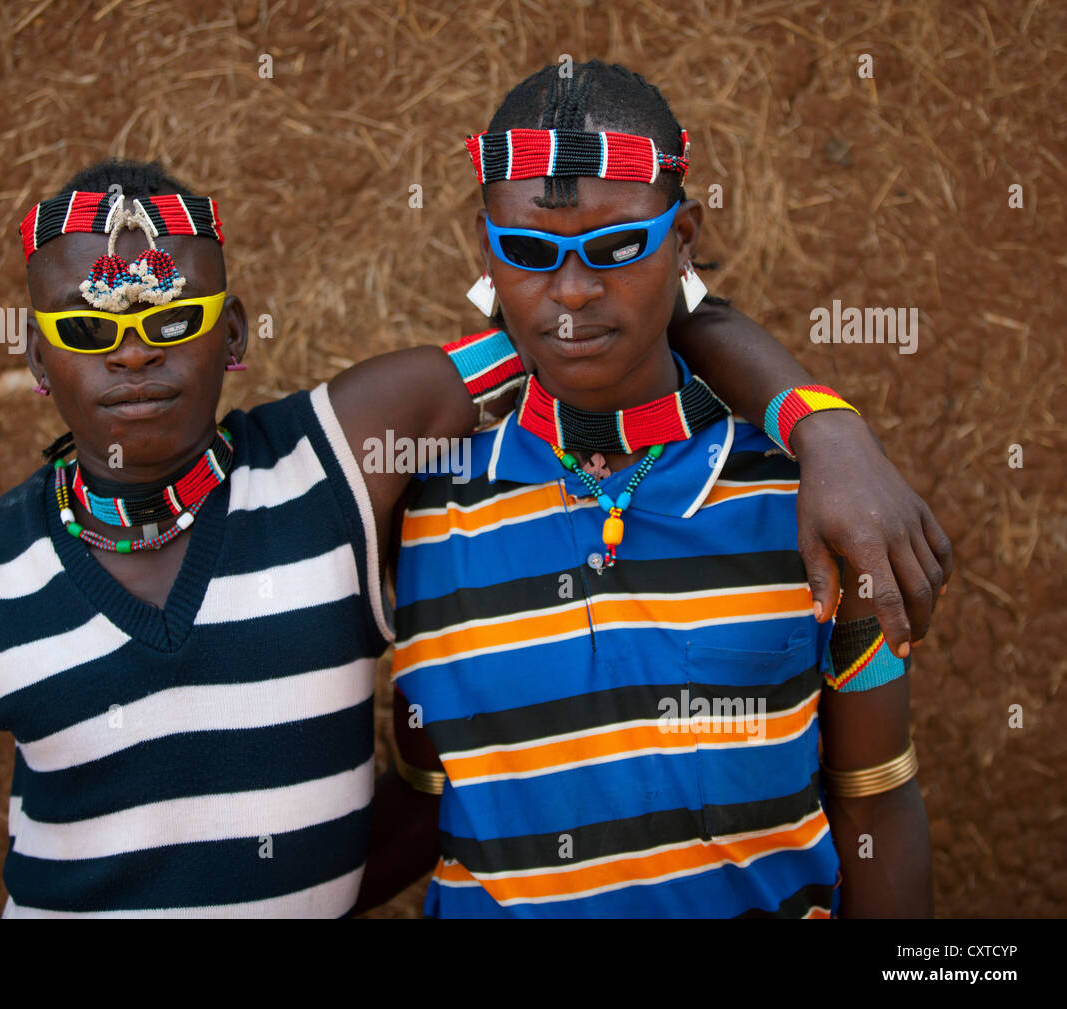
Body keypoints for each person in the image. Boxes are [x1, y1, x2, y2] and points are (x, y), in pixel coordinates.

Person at [0, 143, 945, 916]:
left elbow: (603, 313)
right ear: (38, 361)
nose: (132, 354)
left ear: (231, 335)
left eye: (170, 321)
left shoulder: (335, 461)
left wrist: (824, 429)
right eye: (88, 330)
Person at [383, 61, 935, 917]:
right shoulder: (423, 510)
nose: (572, 292)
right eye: (528, 253)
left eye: (616, 248)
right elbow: (430, 801)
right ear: (483, 247)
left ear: (685, 237)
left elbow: (874, 795)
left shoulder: (817, 501)